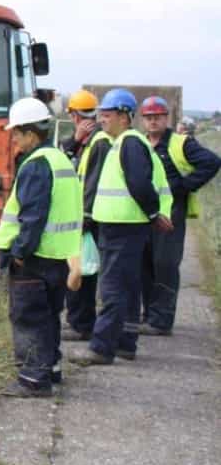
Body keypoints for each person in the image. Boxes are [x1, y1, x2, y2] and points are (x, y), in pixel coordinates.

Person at [70, 89, 173, 366]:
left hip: (122, 227)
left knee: (113, 289)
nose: (102, 120)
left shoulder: (129, 143)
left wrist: (153, 213)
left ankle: (101, 348)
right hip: (123, 226)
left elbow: (139, 184)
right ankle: (126, 343)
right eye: (101, 114)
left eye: (107, 114)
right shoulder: (122, 142)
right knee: (127, 287)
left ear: (124, 117)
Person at [0, 98, 83, 397]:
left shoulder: (35, 165)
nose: (14, 138)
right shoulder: (60, 159)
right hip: (58, 255)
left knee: (28, 317)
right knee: (48, 316)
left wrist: (18, 252)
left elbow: (32, 217)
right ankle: (52, 368)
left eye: (17, 132)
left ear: (32, 133)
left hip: (35, 257)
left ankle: (33, 380)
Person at [138, 97, 220, 335]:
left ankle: (162, 321)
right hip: (146, 212)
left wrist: (184, 186)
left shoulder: (180, 143)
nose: (153, 122)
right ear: (143, 120)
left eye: (158, 117)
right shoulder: (141, 143)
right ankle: (149, 315)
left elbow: (212, 162)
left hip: (172, 211)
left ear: (167, 118)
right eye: (149, 117)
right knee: (146, 264)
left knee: (165, 264)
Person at [60, 89, 113, 341]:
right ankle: (79, 320)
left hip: (87, 218)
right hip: (81, 215)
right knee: (79, 269)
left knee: (82, 271)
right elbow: (62, 161)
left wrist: (86, 218)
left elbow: (93, 183)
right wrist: (75, 140)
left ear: (73, 114)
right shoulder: (86, 140)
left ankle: (81, 323)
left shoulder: (99, 143)